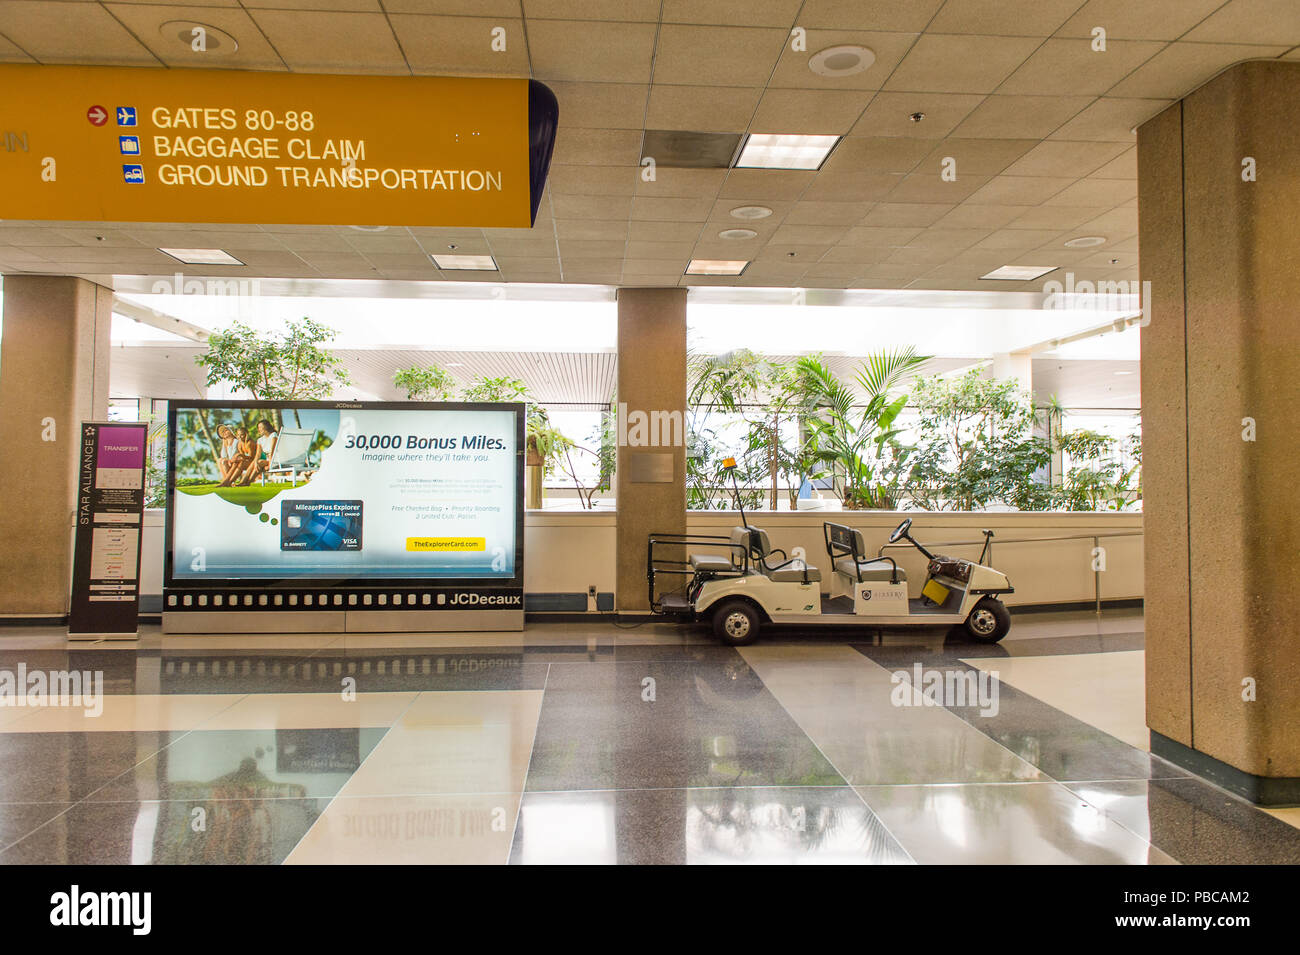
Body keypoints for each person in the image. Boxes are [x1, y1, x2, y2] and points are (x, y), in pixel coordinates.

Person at [237, 419, 279, 486]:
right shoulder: (260, 440)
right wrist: (255, 463)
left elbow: (272, 451)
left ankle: (246, 482)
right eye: (258, 428)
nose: (259, 429)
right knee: (256, 462)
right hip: (268, 460)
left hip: (276, 460)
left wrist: (270, 465)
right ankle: (244, 482)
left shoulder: (273, 435)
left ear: (266, 427)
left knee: (259, 462)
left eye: (260, 427)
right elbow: (258, 454)